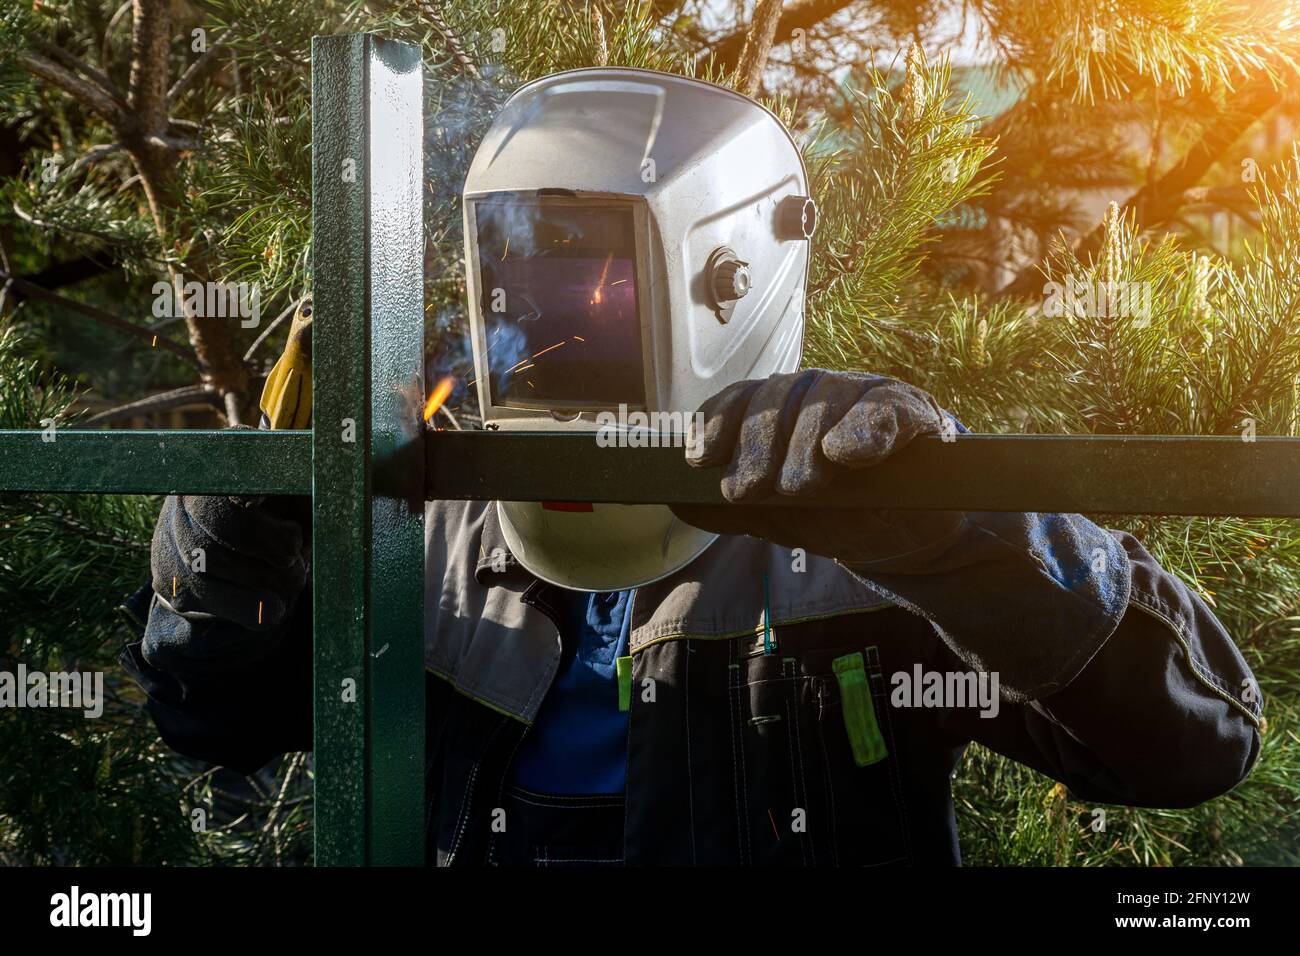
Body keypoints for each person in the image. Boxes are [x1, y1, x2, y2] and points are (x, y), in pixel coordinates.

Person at [120, 67, 1261, 866]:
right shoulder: (427, 534)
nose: (578, 328)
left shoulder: (862, 546)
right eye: (540, 284)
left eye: (615, 286)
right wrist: (240, 518)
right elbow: (208, 713)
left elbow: (1189, 742)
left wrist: (951, 530)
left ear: (727, 283)